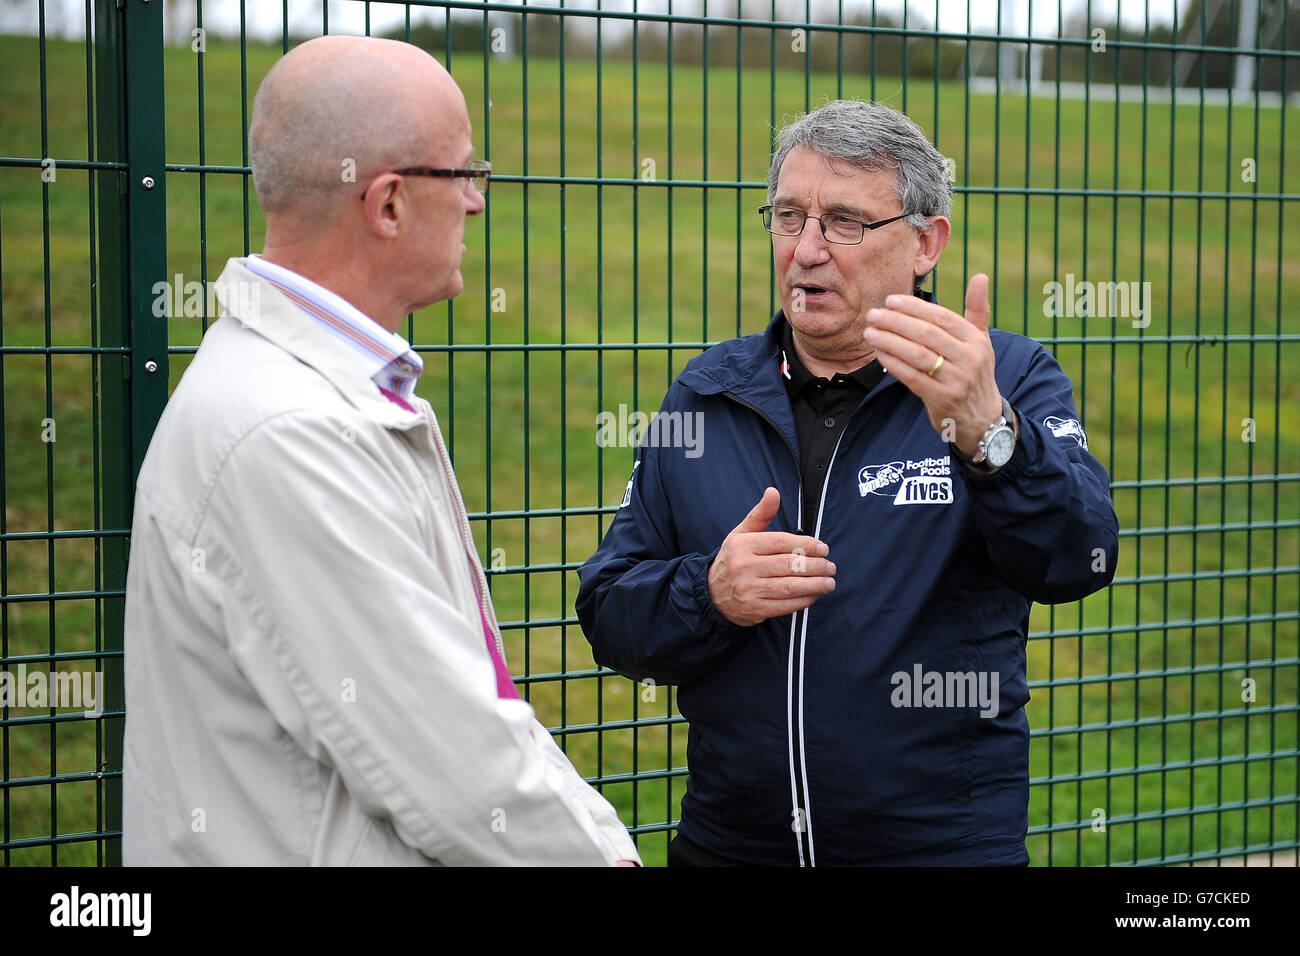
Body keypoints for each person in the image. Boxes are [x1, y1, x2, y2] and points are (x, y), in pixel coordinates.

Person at [122, 35, 639, 866]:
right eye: (465, 172)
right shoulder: (291, 431)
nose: (477, 201)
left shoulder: (313, 394)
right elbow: (457, 772)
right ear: (388, 203)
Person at [576, 100, 1118, 866]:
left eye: (845, 223)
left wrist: (989, 435)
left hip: (938, 853)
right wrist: (712, 594)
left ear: (927, 243)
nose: (806, 251)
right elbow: (608, 608)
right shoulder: (706, 396)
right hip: (731, 849)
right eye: (788, 216)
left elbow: (1077, 560)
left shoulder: (1007, 377)